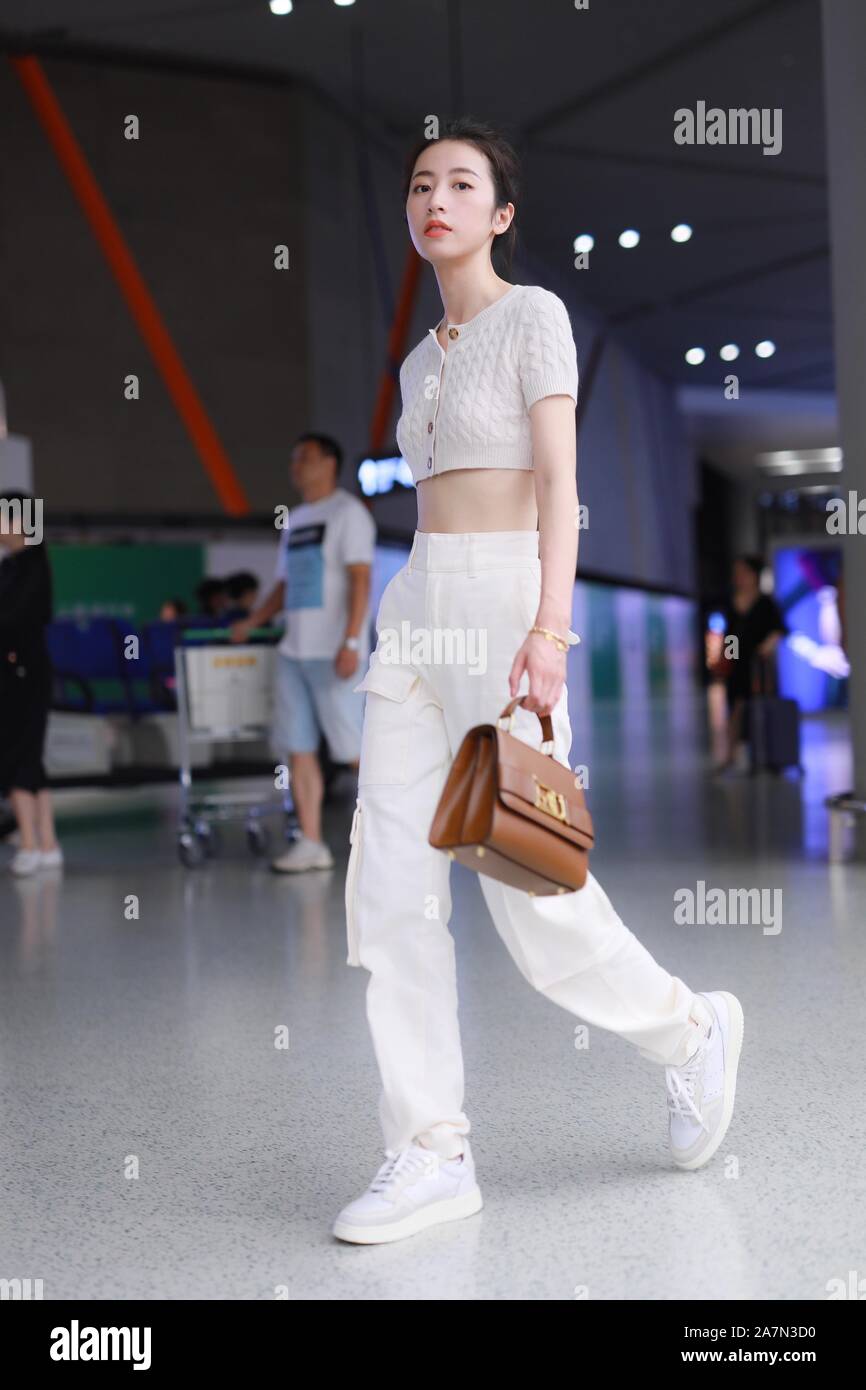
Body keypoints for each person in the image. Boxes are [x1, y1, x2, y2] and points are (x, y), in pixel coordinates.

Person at [331, 119, 745, 1246]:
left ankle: (688, 1031)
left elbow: (556, 483)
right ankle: (428, 1149)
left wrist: (551, 627)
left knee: (528, 883)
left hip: (505, 602)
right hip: (414, 607)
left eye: (461, 184)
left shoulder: (534, 319)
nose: (435, 200)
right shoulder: (418, 360)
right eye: (419, 183)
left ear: (500, 214)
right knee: (387, 890)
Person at [231, 433, 375, 872]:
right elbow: (284, 584)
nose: (296, 467)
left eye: (306, 459)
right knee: (299, 750)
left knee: (354, 752)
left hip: (335, 653)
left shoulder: (349, 514)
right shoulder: (293, 520)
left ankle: (398, 837)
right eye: (294, 460)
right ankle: (311, 843)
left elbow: (360, 581)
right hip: (294, 651)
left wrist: (351, 641)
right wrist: (254, 621)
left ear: (330, 463)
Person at [0, 492, 63, 876]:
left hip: (26, 671)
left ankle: (28, 841)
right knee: (30, 759)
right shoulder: (10, 568)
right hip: (11, 671)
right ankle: (48, 842)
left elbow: (16, 621)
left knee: (18, 756)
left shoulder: (34, 567)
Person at [715, 554, 789, 772]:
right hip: (739, 663)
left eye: (743, 572)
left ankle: (768, 755)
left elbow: (779, 629)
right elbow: (730, 635)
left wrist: (767, 645)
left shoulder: (766, 602)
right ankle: (731, 755)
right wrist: (729, 658)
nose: (738, 577)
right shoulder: (730, 601)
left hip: (760, 664)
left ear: (754, 575)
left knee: (763, 706)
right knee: (736, 707)